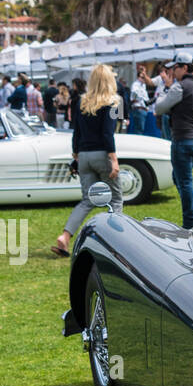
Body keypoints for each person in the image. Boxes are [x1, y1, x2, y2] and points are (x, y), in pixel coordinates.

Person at [52, 63, 123, 257]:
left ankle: (65, 236)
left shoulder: (82, 102)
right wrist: (114, 159)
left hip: (84, 155)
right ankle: (116, 244)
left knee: (87, 201)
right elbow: (108, 133)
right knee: (115, 199)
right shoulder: (113, 102)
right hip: (102, 154)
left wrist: (75, 156)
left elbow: (77, 132)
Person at [153, 51, 193, 229]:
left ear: (184, 68)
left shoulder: (179, 87)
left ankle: (190, 222)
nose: (172, 71)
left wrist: (167, 87)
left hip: (183, 139)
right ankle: (192, 217)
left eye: (175, 67)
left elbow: (159, 108)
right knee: (179, 178)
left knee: (184, 182)